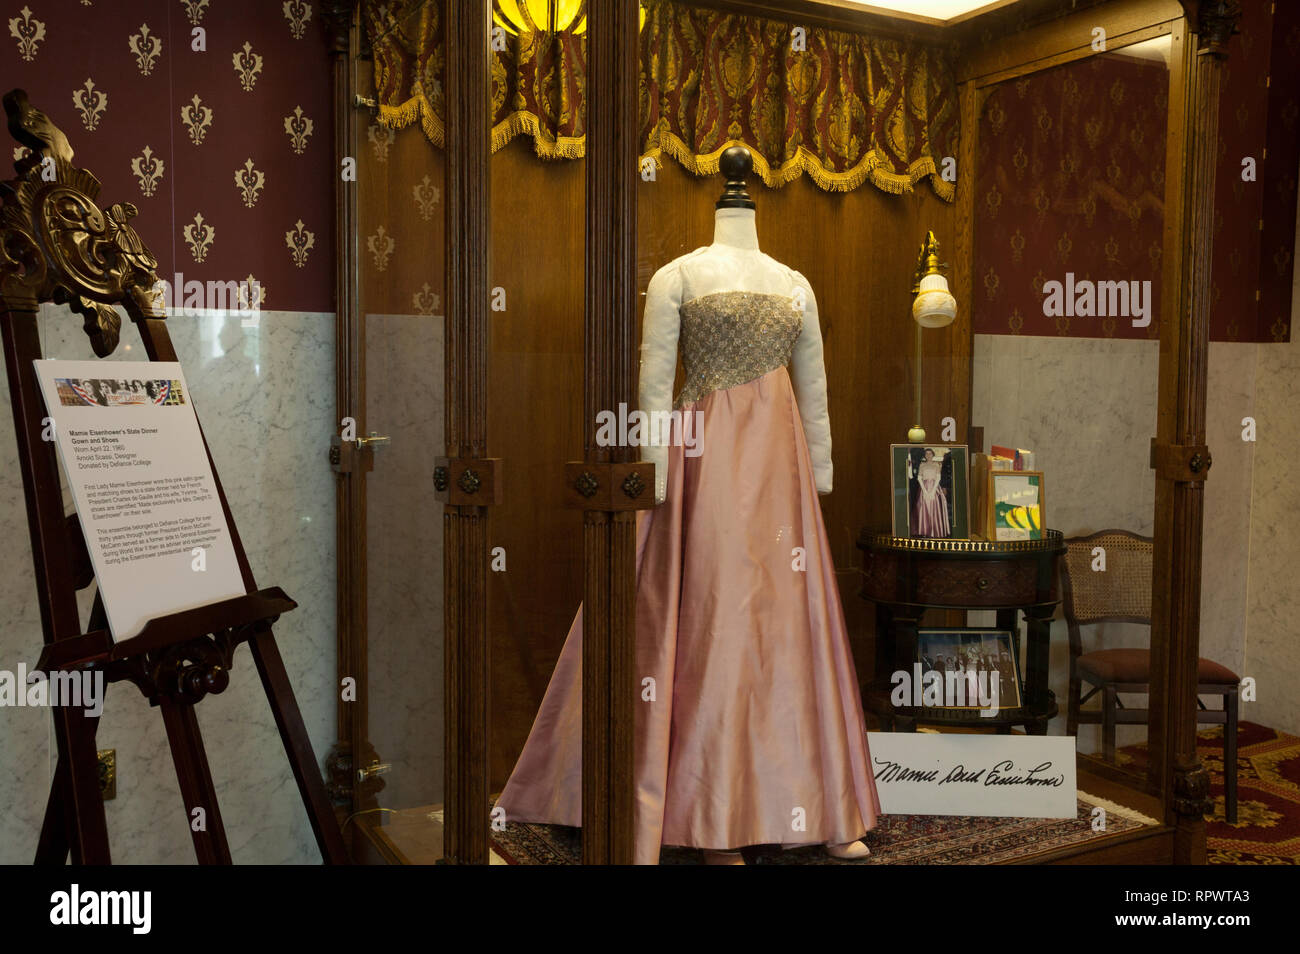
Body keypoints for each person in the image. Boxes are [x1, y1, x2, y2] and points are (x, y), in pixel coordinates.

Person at [911, 448, 951, 537]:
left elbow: (938, 478)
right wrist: (925, 491)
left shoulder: (936, 465)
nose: (928, 455)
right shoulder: (922, 465)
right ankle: (924, 531)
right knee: (924, 509)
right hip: (924, 488)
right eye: (927, 454)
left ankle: (934, 531)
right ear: (925, 455)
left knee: (934, 509)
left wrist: (933, 491)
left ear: (933, 455)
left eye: (930, 453)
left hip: (934, 488)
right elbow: (919, 478)